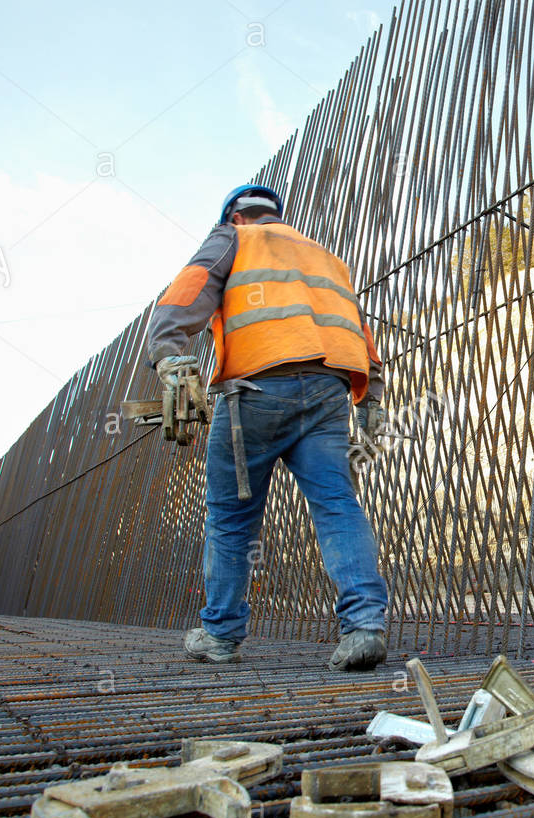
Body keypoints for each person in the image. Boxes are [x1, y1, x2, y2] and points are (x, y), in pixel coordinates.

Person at [145, 184, 389, 671]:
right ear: (277, 216)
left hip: (256, 392)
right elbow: (360, 329)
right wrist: (372, 396)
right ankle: (365, 627)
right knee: (338, 506)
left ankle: (220, 634)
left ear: (236, 217)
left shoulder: (233, 238)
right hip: (326, 392)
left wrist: (170, 355)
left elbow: (184, 297)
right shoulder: (324, 257)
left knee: (232, 518)